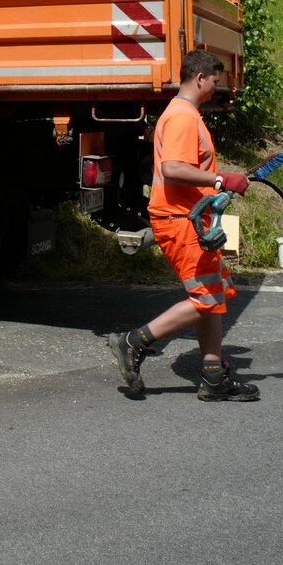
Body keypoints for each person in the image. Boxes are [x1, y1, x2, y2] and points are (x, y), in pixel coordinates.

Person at [107, 48, 260, 401]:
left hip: (189, 218)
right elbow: (173, 169)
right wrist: (220, 180)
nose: (216, 88)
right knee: (206, 298)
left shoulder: (186, 114)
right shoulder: (181, 117)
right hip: (180, 221)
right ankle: (134, 341)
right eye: (215, 81)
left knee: (213, 294)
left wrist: (215, 189)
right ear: (200, 78)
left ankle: (213, 377)